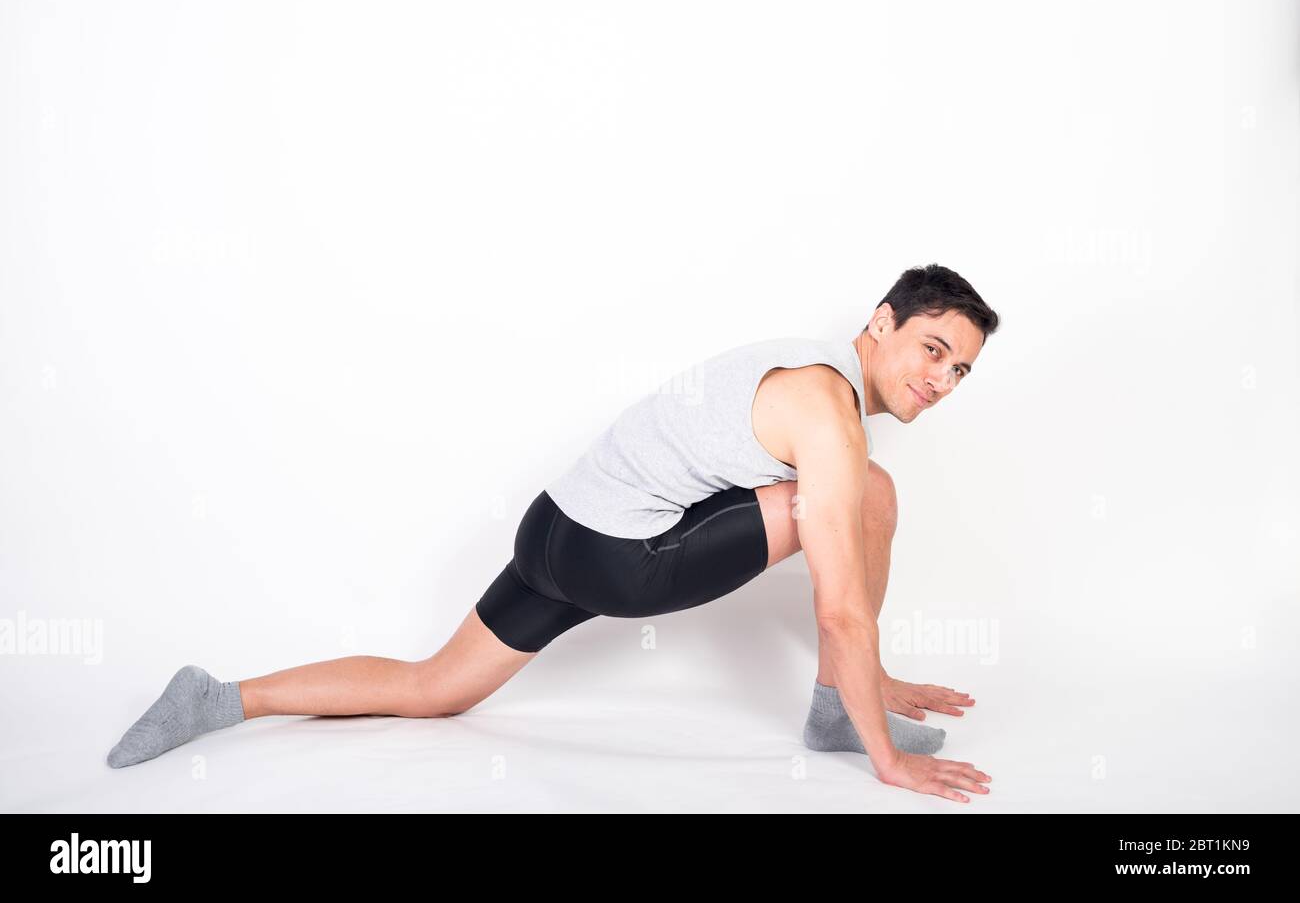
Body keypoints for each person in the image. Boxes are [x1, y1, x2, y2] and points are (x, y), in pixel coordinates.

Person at [106, 263, 999, 804]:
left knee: (433, 686)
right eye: (931, 348)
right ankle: (840, 712)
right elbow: (840, 605)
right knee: (868, 494)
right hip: (623, 561)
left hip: (553, 531)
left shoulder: (798, 370)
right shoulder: (830, 414)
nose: (943, 378)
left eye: (960, 369)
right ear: (880, 323)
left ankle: (221, 696)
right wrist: (886, 756)